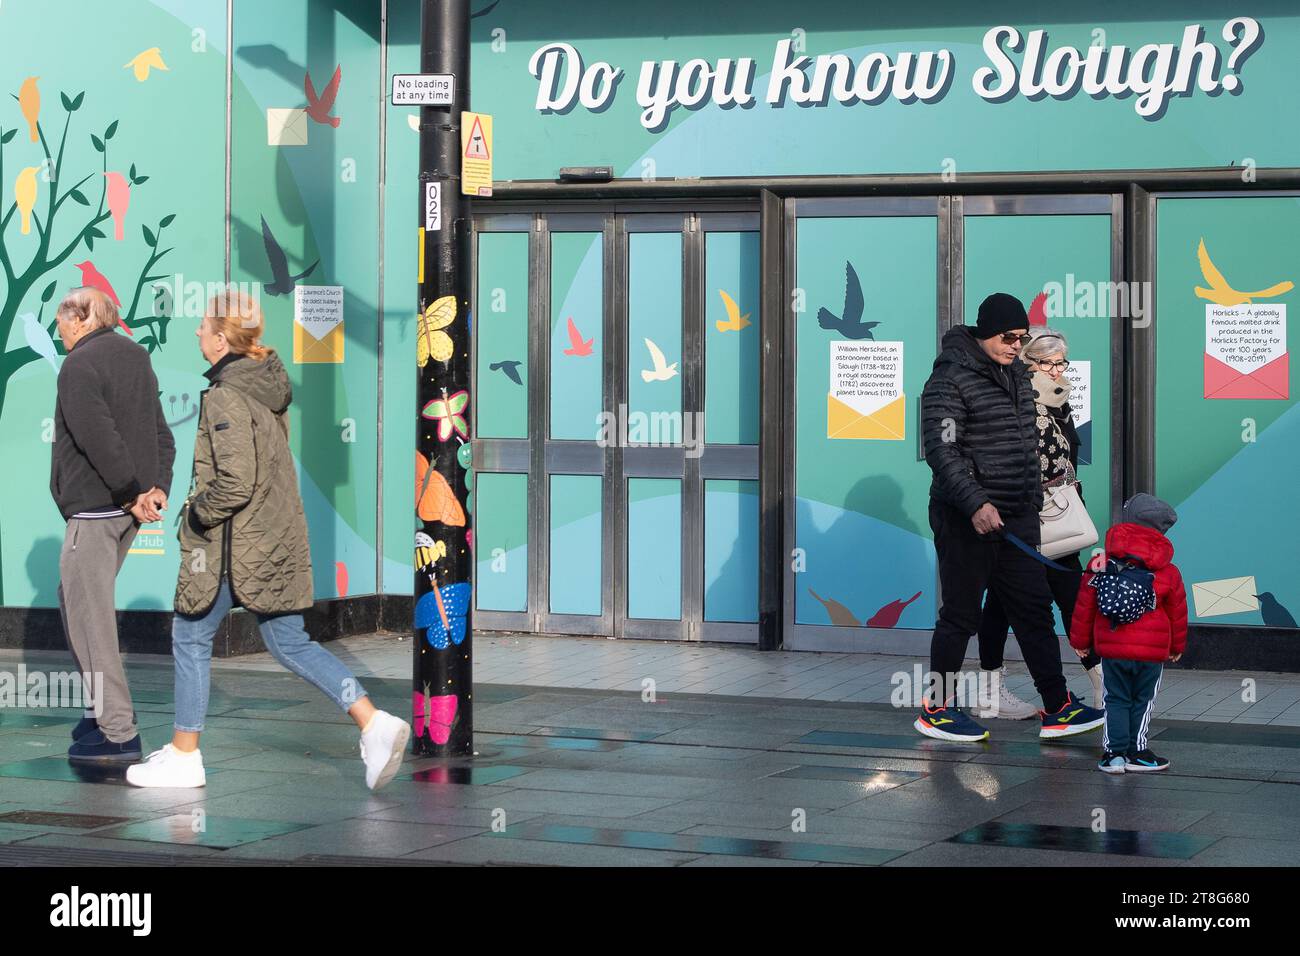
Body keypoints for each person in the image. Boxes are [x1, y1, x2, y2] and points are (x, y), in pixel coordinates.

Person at [126, 291, 410, 790]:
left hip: (233, 548)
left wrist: (194, 514)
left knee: (190, 636)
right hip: (270, 540)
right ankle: (372, 721)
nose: (195, 333)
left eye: (202, 327)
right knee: (291, 643)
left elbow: (236, 480)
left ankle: (185, 755)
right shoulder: (262, 385)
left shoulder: (226, 396)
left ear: (220, 338)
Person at [916, 292, 1104, 742]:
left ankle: (1058, 706)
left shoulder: (1018, 376)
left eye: (1021, 337)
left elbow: (1026, 445)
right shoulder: (949, 380)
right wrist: (975, 503)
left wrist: (1028, 503)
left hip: (1019, 515)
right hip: (966, 516)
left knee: (1035, 611)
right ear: (984, 332)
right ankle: (937, 707)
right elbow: (941, 450)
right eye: (1008, 337)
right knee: (961, 615)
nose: (1016, 345)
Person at [52, 287, 174, 763]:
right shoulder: (135, 355)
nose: (59, 331)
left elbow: (97, 438)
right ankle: (99, 710)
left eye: (62, 322)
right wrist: (154, 489)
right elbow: (161, 432)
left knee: (90, 621)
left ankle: (118, 731)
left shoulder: (78, 365)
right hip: (126, 510)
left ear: (80, 319)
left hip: (99, 509)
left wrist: (129, 492)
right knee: (76, 603)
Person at [973, 328, 1102, 720]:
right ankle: (1094, 687)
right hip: (1026, 514)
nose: (1056, 369)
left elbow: (1067, 457)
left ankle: (993, 690)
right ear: (1027, 363)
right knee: (1038, 599)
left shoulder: (1059, 400)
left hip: (1057, 514)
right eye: (1046, 362)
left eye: (1061, 361)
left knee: (1017, 599)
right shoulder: (1021, 401)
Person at [1069, 493, 1188, 773]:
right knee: (1143, 701)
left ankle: (1113, 755)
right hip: (1151, 652)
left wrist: (1080, 641)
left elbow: (1085, 605)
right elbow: (1178, 613)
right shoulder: (1168, 571)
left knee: (1116, 699)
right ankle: (1138, 752)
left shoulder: (1100, 561)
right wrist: (1176, 646)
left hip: (1113, 648)